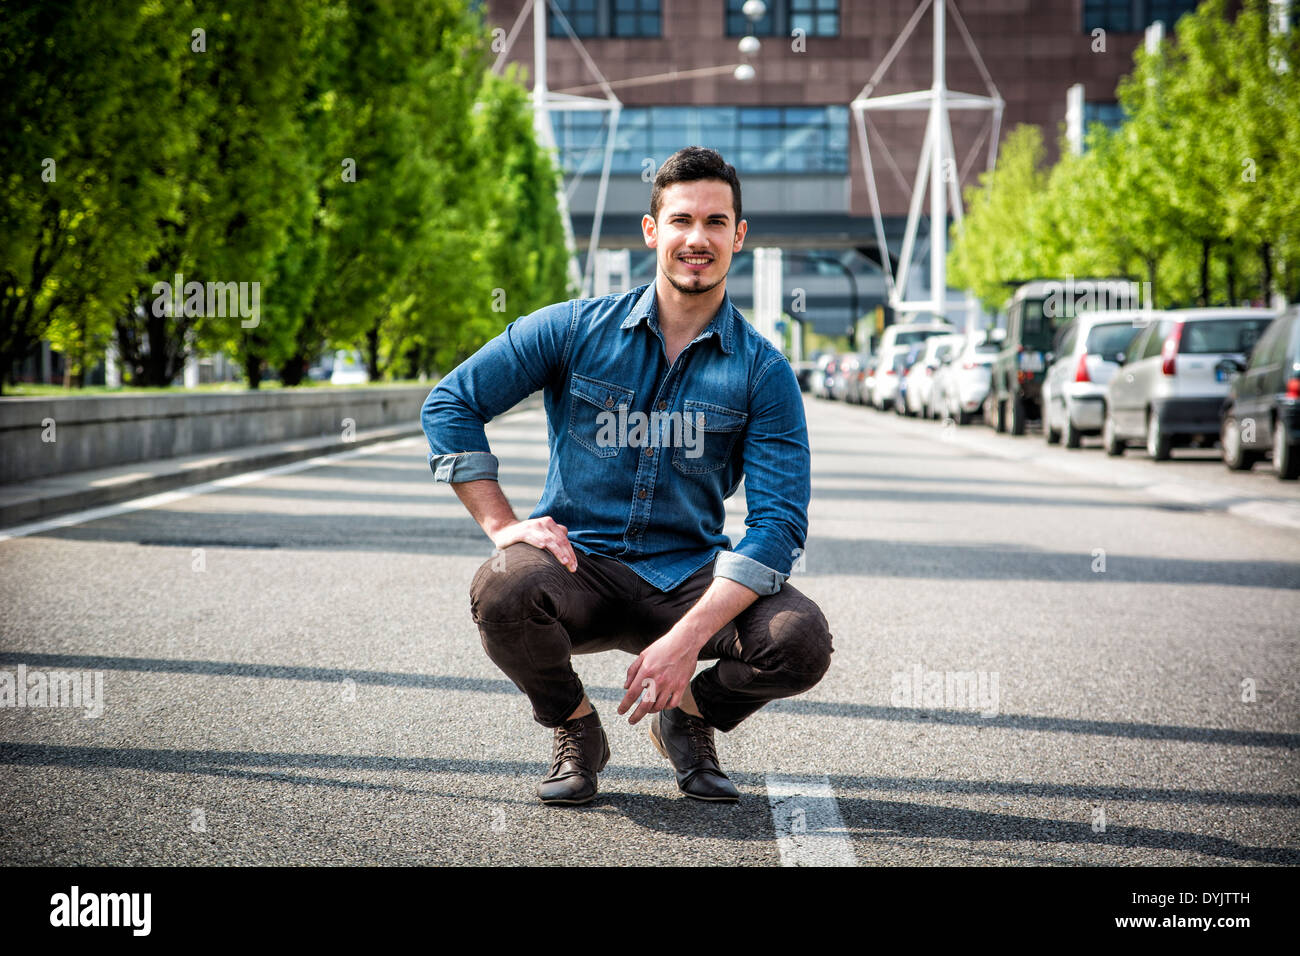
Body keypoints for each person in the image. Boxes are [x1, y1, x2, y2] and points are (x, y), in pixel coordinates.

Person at [421, 146, 833, 806]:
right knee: (501, 589)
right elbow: (450, 403)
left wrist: (686, 642)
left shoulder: (763, 371)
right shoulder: (574, 329)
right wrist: (502, 525)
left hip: (688, 575)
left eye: (715, 222)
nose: (697, 239)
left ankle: (688, 719)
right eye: (680, 220)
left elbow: (778, 528)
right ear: (652, 230)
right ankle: (576, 729)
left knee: (799, 641)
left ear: (739, 236)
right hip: (578, 565)